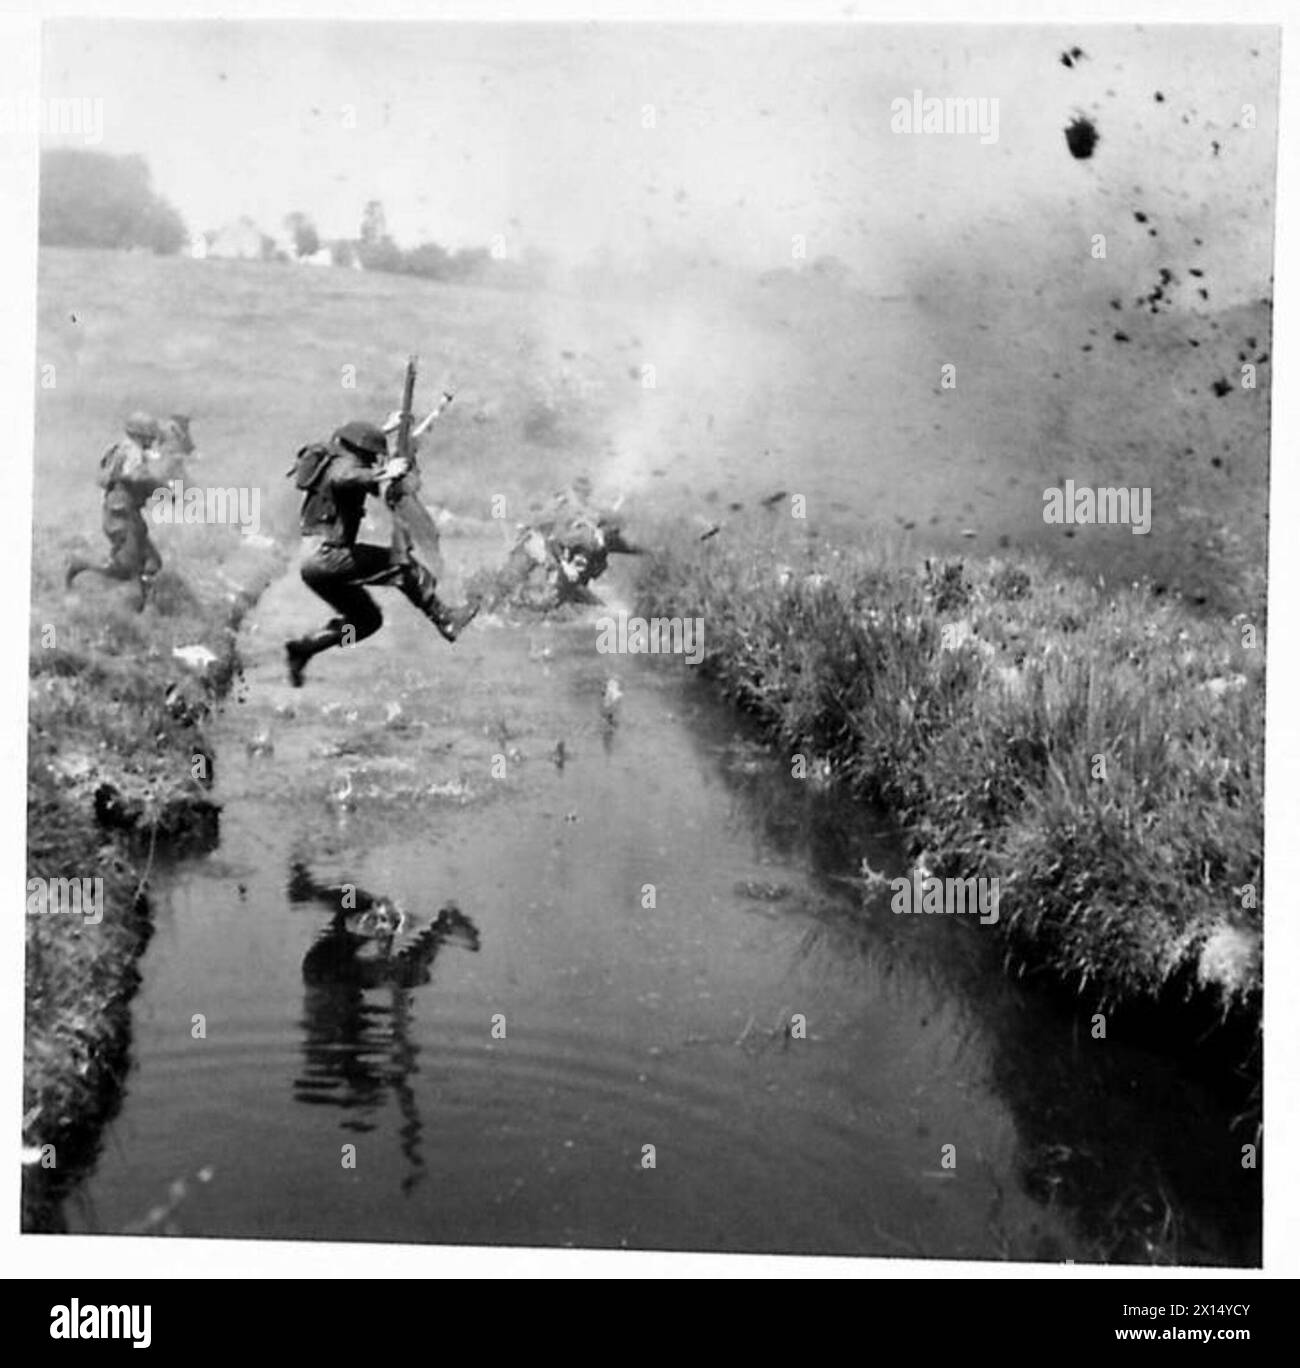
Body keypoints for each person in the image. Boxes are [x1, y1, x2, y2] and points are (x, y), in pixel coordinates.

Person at [284, 419, 479, 687]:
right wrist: (384, 473)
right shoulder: (345, 467)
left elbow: (349, 460)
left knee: (366, 622)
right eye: (370, 458)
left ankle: (307, 648)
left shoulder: (329, 455)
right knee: (402, 566)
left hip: (313, 567)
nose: (372, 462)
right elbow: (346, 477)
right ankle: (445, 619)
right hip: (327, 557)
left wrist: (386, 430)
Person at [65, 411, 195, 611]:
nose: (152, 441)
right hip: (121, 515)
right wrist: (164, 490)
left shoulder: (123, 449)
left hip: (129, 515)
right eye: (149, 436)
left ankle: (142, 609)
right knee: (123, 567)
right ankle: (79, 563)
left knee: (151, 563)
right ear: (141, 434)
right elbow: (136, 477)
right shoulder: (131, 451)